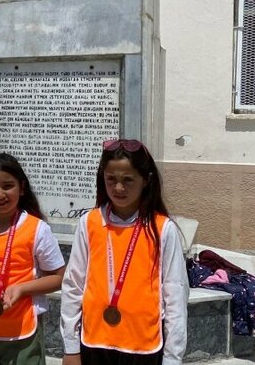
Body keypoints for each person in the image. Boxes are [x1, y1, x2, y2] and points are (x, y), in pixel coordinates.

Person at [60, 139, 188, 365]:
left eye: (128, 180)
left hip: (143, 346)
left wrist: (172, 357)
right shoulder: (89, 222)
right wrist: (71, 348)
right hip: (94, 342)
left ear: (146, 181)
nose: (119, 188)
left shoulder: (162, 229)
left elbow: (175, 293)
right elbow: (74, 284)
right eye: (111, 179)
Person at [0, 153, 65, 365]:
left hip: (24, 330)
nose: (0, 194)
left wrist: (22, 289)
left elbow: (58, 277)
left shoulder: (37, 228)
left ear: (22, 187)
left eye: (8, 186)